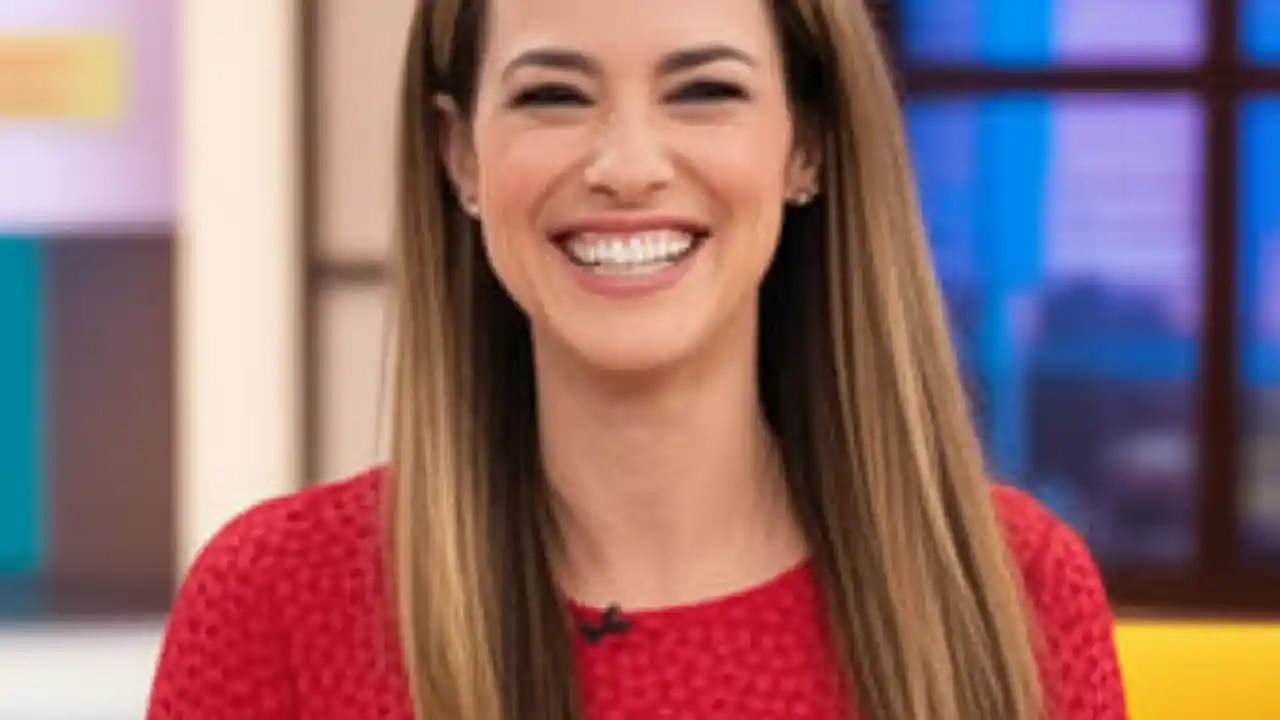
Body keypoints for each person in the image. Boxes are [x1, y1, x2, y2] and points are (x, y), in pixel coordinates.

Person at [147, 0, 1127, 717]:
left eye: (703, 91)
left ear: (807, 145)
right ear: (459, 157)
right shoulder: (275, 598)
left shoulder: (1009, 590)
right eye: (552, 96)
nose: (625, 164)